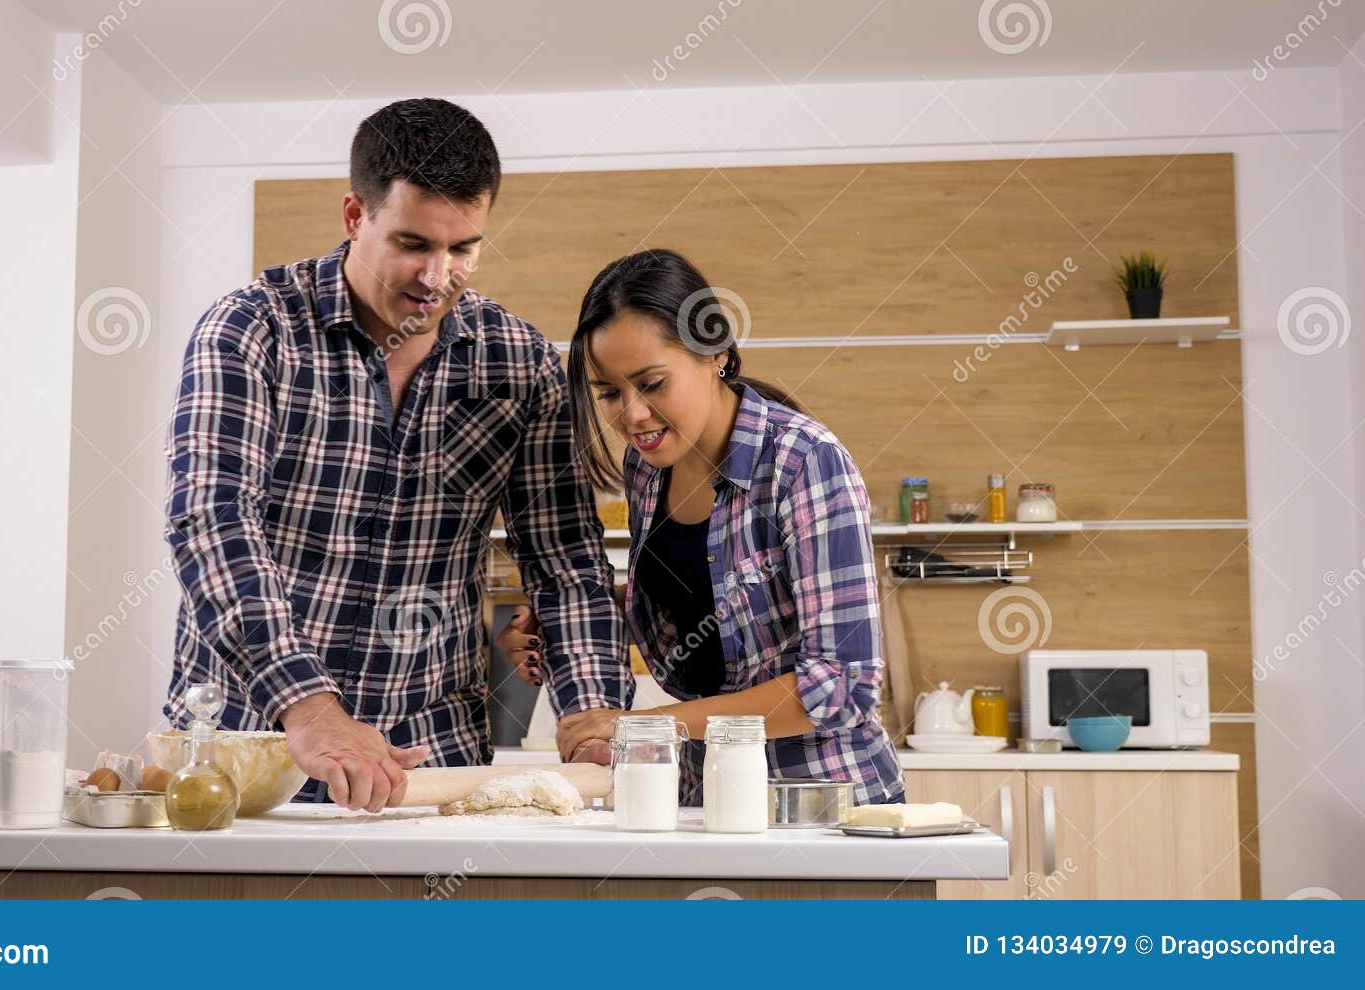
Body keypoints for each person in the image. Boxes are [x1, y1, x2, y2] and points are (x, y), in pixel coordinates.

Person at [164, 98, 627, 812]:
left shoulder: (520, 363)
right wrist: (310, 705)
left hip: (431, 760)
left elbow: (566, 558)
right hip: (252, 746)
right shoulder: (253, 331)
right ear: (356, 216)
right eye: (414, 243)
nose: (438, 277)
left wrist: (592, 710)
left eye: (464, 248)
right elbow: (213, 521)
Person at [500, 248, 904, 806]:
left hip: (821, 803)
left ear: (714, 351)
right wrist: (566, 622)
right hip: (706, 795)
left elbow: (841, 686)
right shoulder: (647, 468)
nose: (633, 415)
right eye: (610, 394)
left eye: (652, 383)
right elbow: (709, 598)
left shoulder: (804, 462)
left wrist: (645, 724)